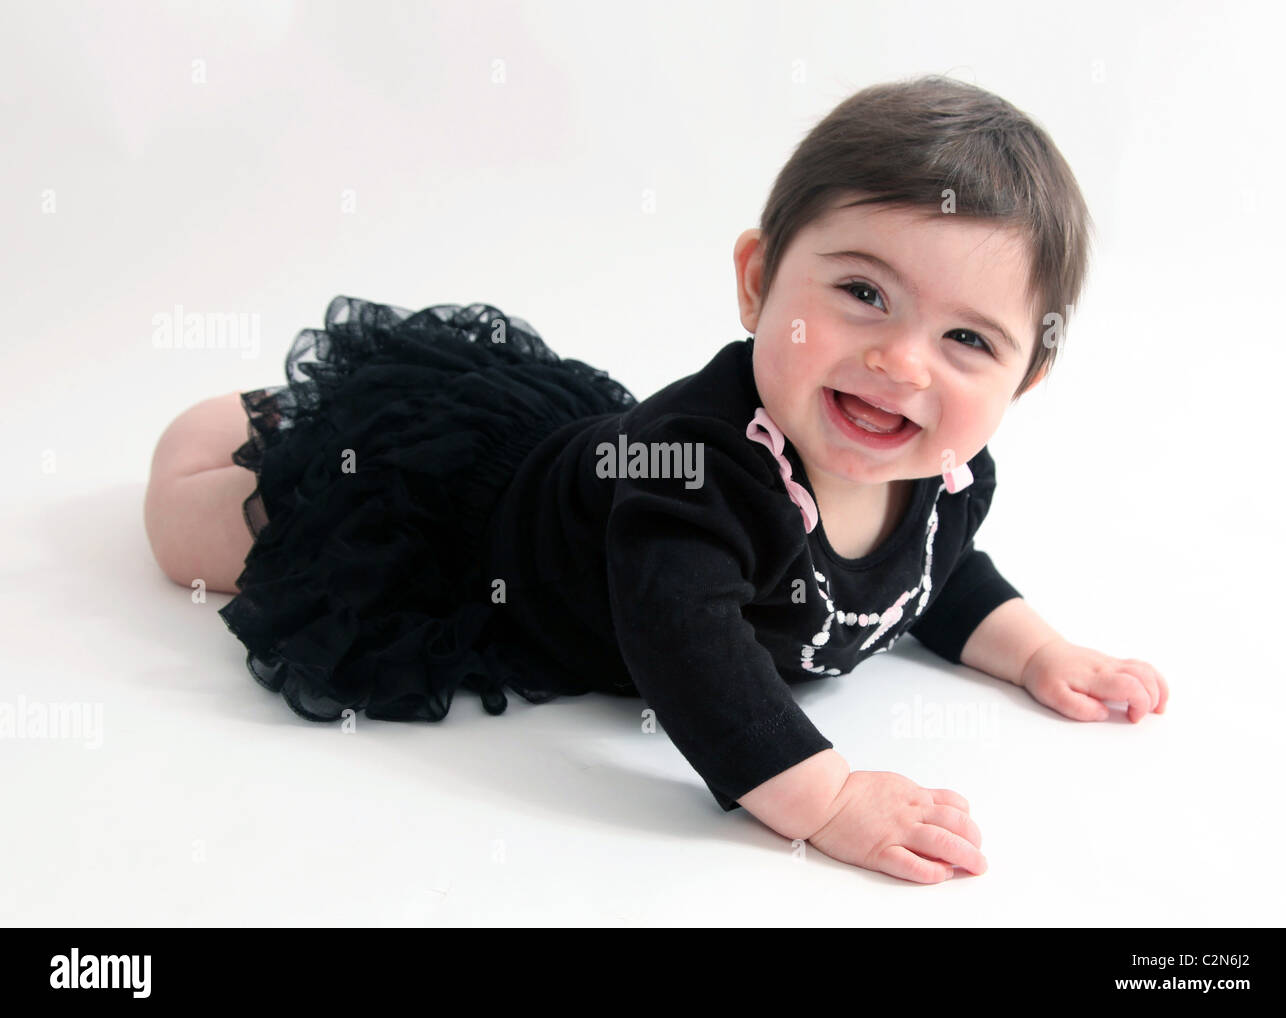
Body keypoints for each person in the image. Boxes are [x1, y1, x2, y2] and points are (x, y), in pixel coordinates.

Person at [143, 74, 1168, 885]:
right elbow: (686, 642)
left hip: (577, 458)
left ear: (1023, 379)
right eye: (861, 293)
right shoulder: (701, 475)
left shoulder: (940, 473)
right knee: (206, 526)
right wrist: (827, 799)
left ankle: (311, 414)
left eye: (963, 339)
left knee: (330, 440)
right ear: (759, 281)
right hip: (462, 532)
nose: (901, 362)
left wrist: (1038, 651)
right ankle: (258, 420)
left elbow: (935, 574)